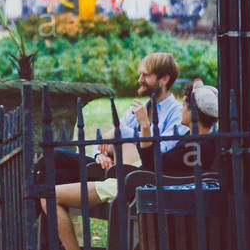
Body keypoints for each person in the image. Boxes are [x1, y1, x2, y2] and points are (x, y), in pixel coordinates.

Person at [40, 83, 220, 250]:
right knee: (118, 138)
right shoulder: (201, 140)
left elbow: (154, 167)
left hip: (136, 186)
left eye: (185, 106)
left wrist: (144, 125)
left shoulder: (197, 145)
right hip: (140, 181)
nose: (181, 109)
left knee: (48, 196)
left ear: (193, 113)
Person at [42, 52, 186, 186]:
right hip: (111, 168)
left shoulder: (177, 112)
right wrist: (101, 155)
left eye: (145, 75)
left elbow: (163, 149)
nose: (139, 80)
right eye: (140, 74)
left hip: (140, 177)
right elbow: (106, 139)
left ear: (165, 79)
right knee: (54, 169)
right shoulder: (137, 108)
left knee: (56, 159)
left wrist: (125, 132)